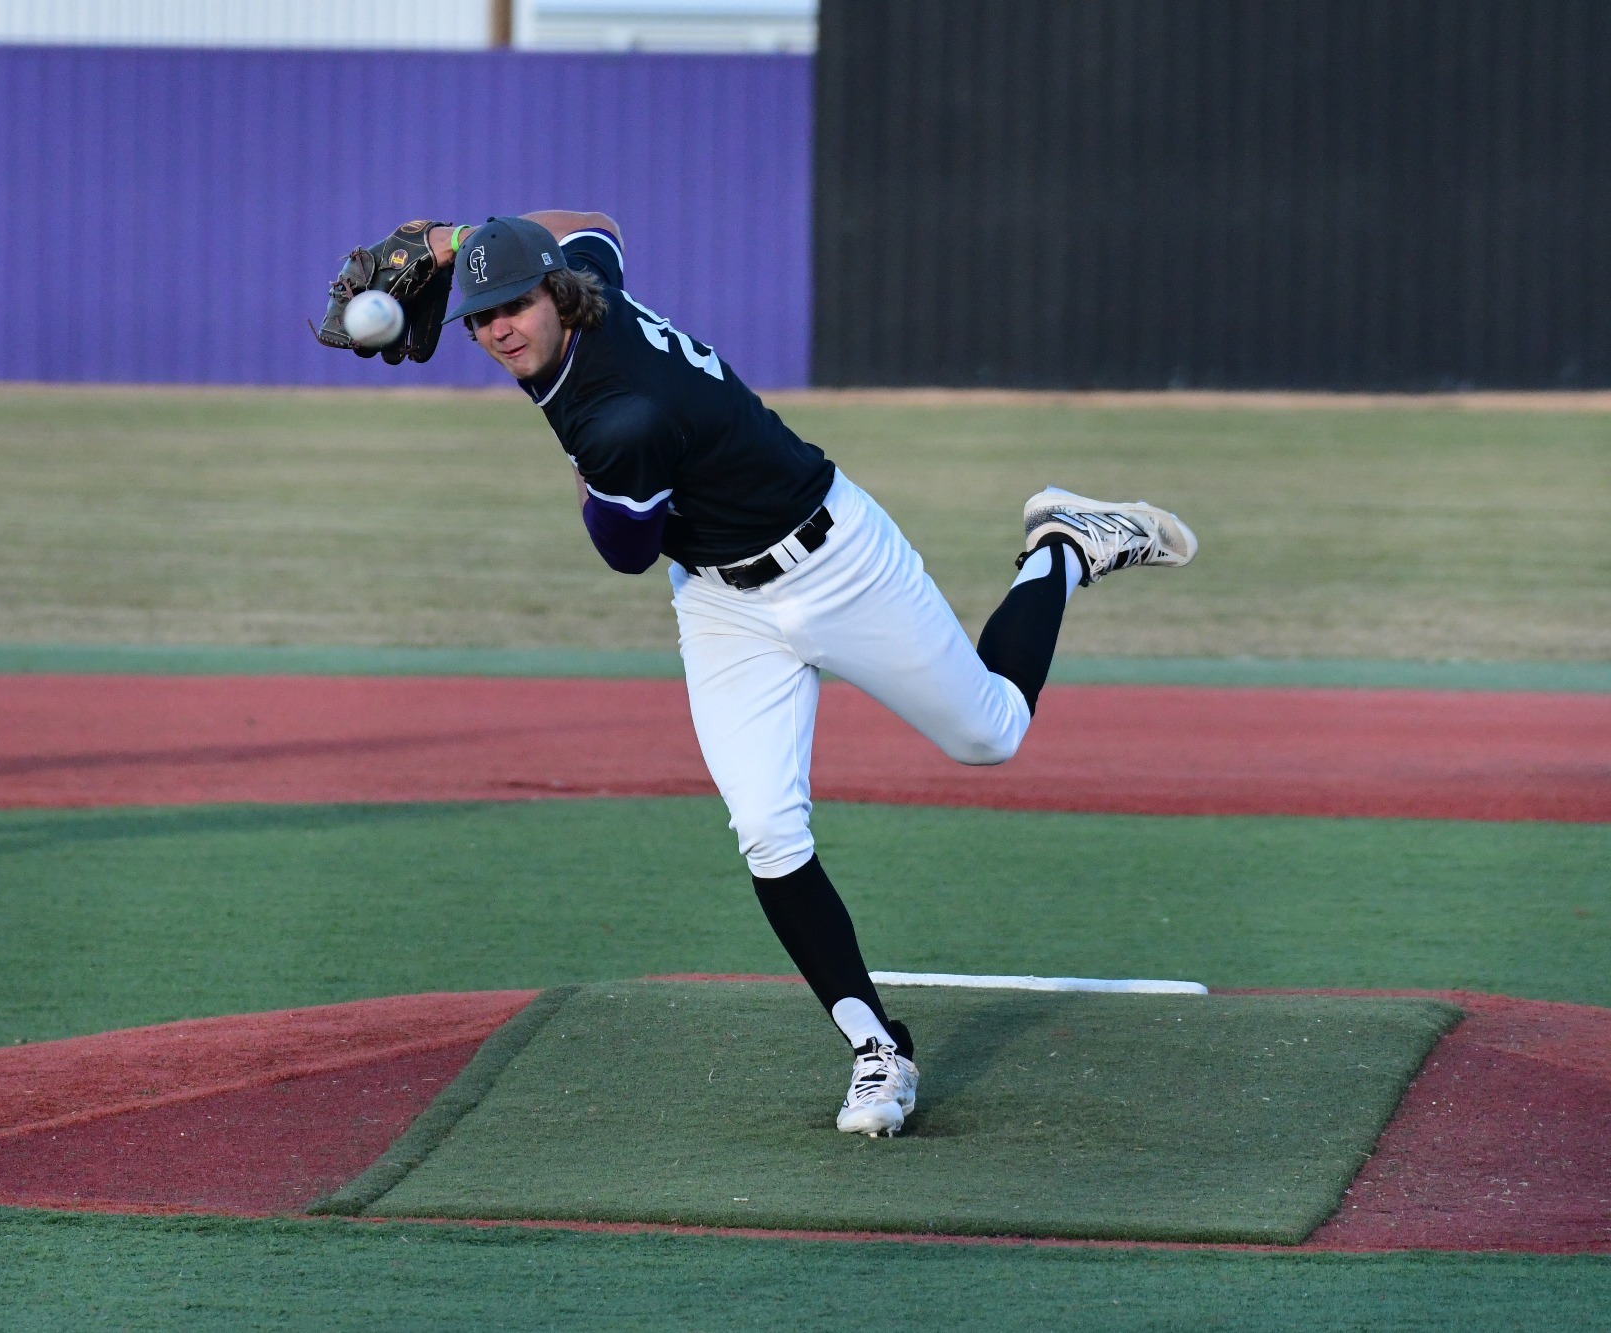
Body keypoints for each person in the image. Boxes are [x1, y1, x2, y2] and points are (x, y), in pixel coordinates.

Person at [319, 213, 1196, 1137]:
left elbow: (621, 548)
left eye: (516, 305)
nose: (499, 328)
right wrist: (462, 237)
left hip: (838, 560)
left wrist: (578, 460)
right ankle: (876, 1048)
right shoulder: (585, 278)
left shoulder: (623, 419)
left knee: (990, 733)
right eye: (482, 314)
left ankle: (1061, 546)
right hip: (724, 604)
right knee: (770, 832)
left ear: (558, 299)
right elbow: (595, 225)